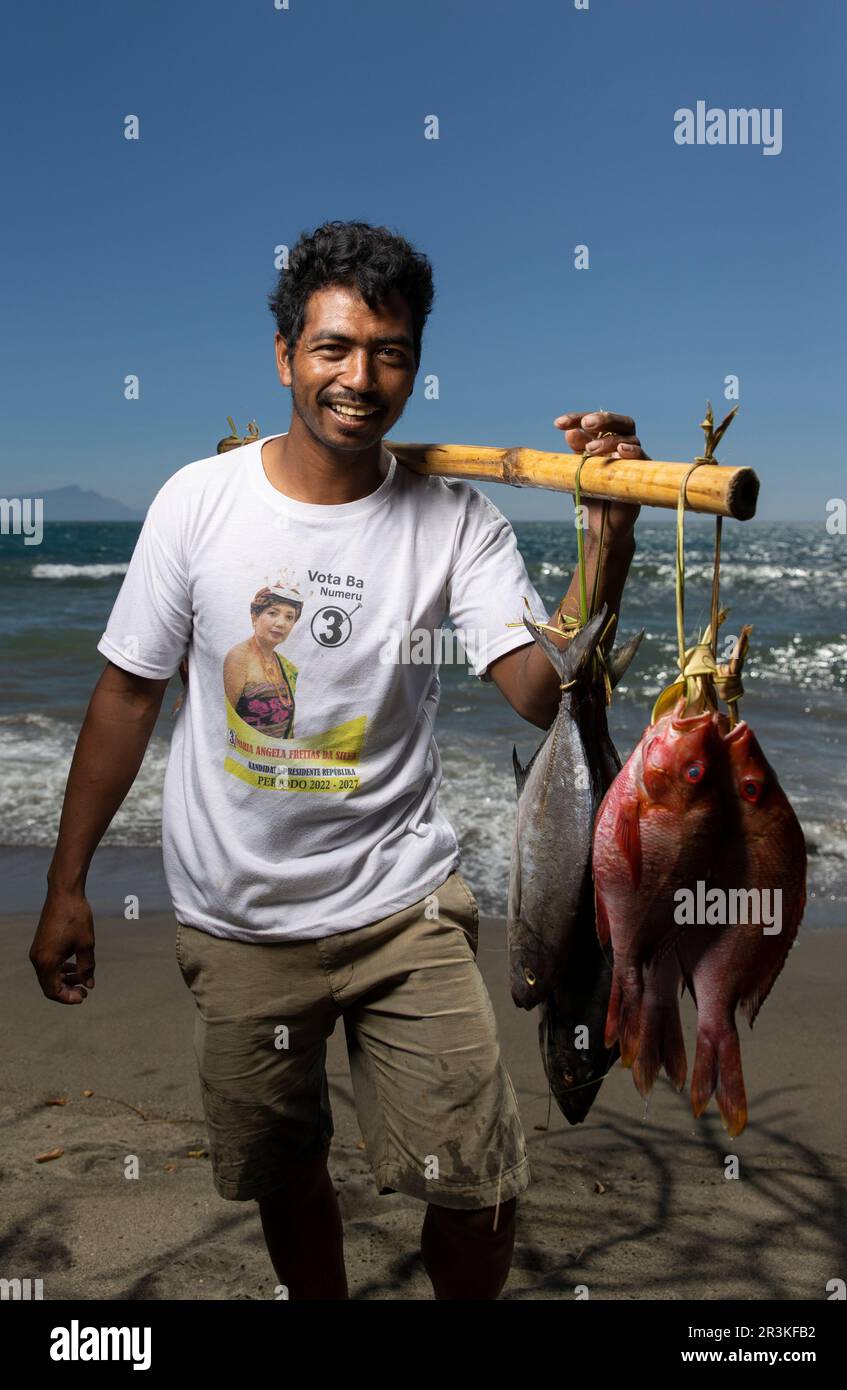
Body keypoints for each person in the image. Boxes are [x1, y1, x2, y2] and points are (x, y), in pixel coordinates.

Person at [29, 220, 647, 1301]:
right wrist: (66, 884)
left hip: (402, 907)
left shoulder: (456, 519)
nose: (360, 378)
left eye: (390, 352)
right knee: (286, 1164)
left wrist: (611, 536)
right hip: (239, 922)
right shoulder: (198, 502)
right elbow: (127, 694)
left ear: (413, 363)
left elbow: (538, 689)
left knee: (476, 1180)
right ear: (285, 357)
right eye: (333, 348)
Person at [224, 586, 303, 739]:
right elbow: (221, 721)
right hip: (242, 757)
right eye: (273, 613)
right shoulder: (239, 658)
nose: (281, 623)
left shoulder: (287, 666)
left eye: (289, 617)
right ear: (255, 617)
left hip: (277, 758)